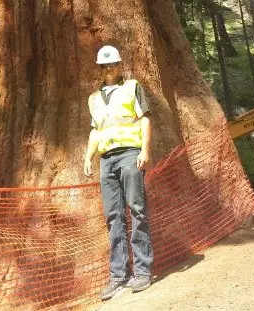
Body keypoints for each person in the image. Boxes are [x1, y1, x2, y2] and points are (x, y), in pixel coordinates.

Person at [84, 45, 153, 301]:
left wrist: (144, 149)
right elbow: (95, 130)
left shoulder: (132, 87)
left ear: (120, 65)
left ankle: (143, 271)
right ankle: (119, 276)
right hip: (106, 160)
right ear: (100, 68)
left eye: (113, 63)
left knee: (137, 209)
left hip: (129, 154)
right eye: (104, 65)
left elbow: (145, 117)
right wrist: (88, 156)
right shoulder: (93, 98)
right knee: (113, 216)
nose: (109, 68)